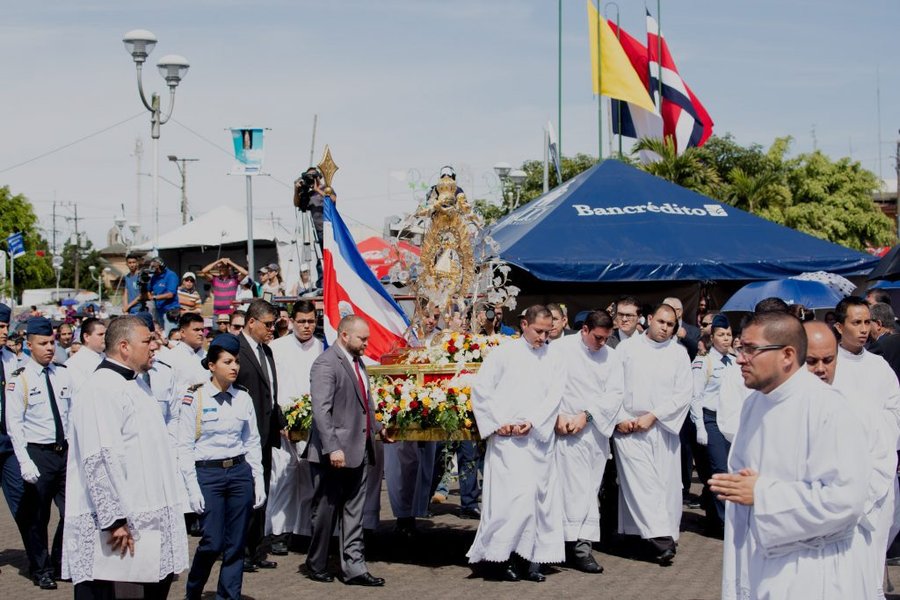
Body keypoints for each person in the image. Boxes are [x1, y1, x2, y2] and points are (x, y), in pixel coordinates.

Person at [710, 311, 872, 599]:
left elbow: (846, 500)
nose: (740, 359)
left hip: (816, 570)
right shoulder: (753, 405)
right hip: (764, 561)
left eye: (751, 349)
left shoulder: (828, 408)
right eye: (740, 347)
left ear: (787, 355)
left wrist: (762, 493)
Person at [63, 315, 189, 598]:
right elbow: (100, 456)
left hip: (148, 513)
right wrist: (114, 520)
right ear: (124, 346)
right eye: (147, 341)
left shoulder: (138, 384)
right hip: (119, 527)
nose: (154, 346)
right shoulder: (101, 388)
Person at [466, 305, 564, 582]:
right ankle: (502, 557)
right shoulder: (503, 353)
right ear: (524, 325)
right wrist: (499, 423)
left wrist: (533, 422)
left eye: (548, 332)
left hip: (537, 440)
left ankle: (531, 558)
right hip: (508, 441)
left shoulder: (554, 358)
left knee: (537, 501)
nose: (543, 338)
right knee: (511, 501)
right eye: (538, 331)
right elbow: (481, 391)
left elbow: (554, 396)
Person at [804, 320, 897, 599]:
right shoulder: (775, 411)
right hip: (800, 541)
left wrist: (852, 505)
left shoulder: (861, 409)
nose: (821, 369)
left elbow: (881, 462)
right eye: (811, 361)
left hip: (849, 529)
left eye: (828, 360)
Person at [178, 333, 265, 600]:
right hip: (209, 474)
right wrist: (192, 488)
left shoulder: (243, 397)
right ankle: (194, 590)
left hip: (239, 473)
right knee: (212, 541)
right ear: (211, 365)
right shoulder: (195, 397)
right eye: (227, 362)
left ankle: (228, 595)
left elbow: (251, 441)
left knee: (236, 543)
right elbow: (184, 446)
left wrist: (258, 479)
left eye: (236, 361)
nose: (234, 367)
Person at [304, 315, 388, 586]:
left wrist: (378, 429)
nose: (366, 344)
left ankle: (354, 568)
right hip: (333, 454)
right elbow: (321, 410)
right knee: (325, 513)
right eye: (362, 339)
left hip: (359, 448)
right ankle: (316, 562)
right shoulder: (326, 364)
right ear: (344, 335)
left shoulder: (357, 361)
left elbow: (366, 403)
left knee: (354, 512)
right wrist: (333, 448)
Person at [613, 303, 692, 565]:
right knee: (641, 484)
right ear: (649, 319)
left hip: (661, 427)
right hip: (630, 428)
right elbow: (613, 387)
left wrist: (654, 415)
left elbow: (683, 394)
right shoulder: (626, 349)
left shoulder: (678, 354)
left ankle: (662, 535)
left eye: (670, 324)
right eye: (661, 322)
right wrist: (621, 418)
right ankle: (658, 539)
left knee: (665, 486)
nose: (665, 328)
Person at [830, 298, 900, 594]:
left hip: (879, 467)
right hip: (842, 471)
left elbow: (893, 412)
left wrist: (877, 439)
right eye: (855, 322)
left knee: (878, 543)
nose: (863, 329)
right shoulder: (829, 364)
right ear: (839, 326)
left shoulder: (879, 367)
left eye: (867, 322)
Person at [551, 310, 624, 574]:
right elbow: (548, 386)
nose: (602, 343)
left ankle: (582, 547)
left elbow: (615, 395)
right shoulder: (559, 350)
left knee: (587, 490)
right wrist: (557, 415)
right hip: (563, 432)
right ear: (584, 330)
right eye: (597, 338)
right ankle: (557, 547)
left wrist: (588, 415)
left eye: (606, 338)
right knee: (561, 490)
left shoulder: (611, 357)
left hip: (593, 434)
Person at [5, 317, 74, 589]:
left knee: (71, 511)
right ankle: (41, 568)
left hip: (64, 453)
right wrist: (24, 461)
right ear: (29, 345)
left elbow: (72, 414)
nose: (49, 348)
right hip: (38, 453)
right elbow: (14, 425)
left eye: (51, 343)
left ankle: (58, 560)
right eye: (43, 343)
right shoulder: (20, 379)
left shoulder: (63, 373)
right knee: (37, 517)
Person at [267, 300, 322, 550]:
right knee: (283, 476)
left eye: (311, 321)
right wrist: (279, 419)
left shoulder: (322, 347)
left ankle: (304, 531)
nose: (306, 326)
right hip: (283, 423)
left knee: (310, 478)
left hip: (312, 422)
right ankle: (278, 531)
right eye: (301, 321)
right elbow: (271, 386)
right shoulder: (276, 348)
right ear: (291, 321)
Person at [236, 299, 282, 572]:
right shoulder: (236, 349)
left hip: (265, 433)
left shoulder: (267, 351)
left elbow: (271, 391)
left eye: (274, 325)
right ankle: (240, 551)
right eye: (268, 324)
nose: (271, 329)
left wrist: (279, 421)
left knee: (261, 491)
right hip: (243, 436)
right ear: (251, 322)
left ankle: (256, 549)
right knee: (245, 494)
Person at [689, 314, 735, 533]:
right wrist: (699, 426)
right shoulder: (703, 362)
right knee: (720, 470)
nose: (726, 338)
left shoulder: (734, 361)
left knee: (725, 469)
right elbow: (696, 396)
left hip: (730, 419)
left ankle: (713, 518)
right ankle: (726, 522)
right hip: (710, 419)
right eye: (721, 334)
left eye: (729, 334)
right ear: (712, 337)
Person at [0, 303, 28, 564]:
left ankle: (37, 560)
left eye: (6, 326)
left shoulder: (12, 358)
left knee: (21, 499)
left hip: (8, 439)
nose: (4, 331)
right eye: (0, 326)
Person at [168, 313, 208, 397]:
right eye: (196, 330)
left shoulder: (208, 356)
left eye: (202, 330)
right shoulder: (171, 357)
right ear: (182, 332)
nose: (201, 333)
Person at [66, 317, 106, 392]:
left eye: (105, 334)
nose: (105, 337)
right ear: (86, 337)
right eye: (100, 334)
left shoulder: (107, 357)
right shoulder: (74, 364)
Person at [148, 257, 181, 335]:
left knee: (170, 335)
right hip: (159, 311)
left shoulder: (171, 275)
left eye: (155, 267)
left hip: (170, 311)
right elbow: (148, 290)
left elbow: (170, 294)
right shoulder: (154, 277)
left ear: (161, 266)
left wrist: (154, 297)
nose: (154, 270)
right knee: (160, 335)